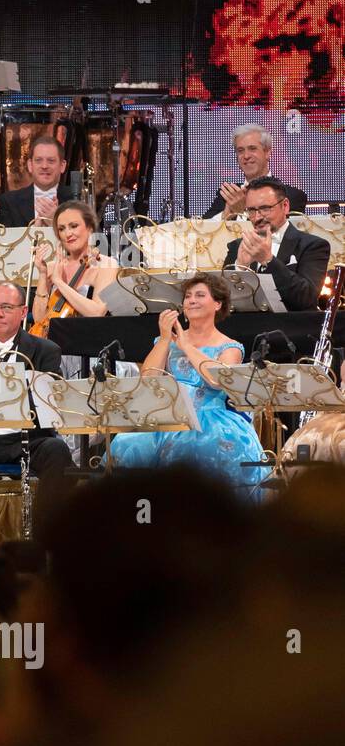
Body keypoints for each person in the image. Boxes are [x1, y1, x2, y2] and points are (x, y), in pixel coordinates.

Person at [109, 273, 268, 497]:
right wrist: (165, 339)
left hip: (210, 419)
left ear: (217, 304)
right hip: (168, 415)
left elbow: (216, 381)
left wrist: (185, 345)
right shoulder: (167, 342)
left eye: (200, 295)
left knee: (192, 449)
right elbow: (149, 379)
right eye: (188, 296)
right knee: (128, 442)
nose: (191, 300)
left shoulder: (231, 347)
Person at [0, 282, 74, 483]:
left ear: (23, 312)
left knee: (56, 450)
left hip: (25, 440)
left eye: (6, 307)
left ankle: (51, 514)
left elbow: (51, 404)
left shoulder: (46, 350)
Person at [222, 176, 329, 312]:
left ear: (285, 206)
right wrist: (240, 267)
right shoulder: (237, 246)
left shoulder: (313, 246)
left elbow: (306, 299)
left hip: (291, 330)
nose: (257, 217)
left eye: (265, 208)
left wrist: (268, 260)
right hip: (243, 330)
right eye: (251, 210)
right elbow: (221, 300)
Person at [31, 200, 119, 329]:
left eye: (73, 226)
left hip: (88, 341)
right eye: (62, 229)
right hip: (53, 343)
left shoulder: (106, 265)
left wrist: (59, 282)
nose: (68, 234)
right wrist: (43, 274)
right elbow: (38, 318)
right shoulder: (51, 266)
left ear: (89, 227)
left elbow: (97, 312)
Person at [202, 124, 308, 219]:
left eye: (252, 149)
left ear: (267, 152)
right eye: (240, 151)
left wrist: (243, 211)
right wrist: (227, 214)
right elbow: (205, 233)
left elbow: (284, 236)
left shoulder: (291, 196)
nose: (246, 156)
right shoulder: (228, 195)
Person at [0, 137, 75, 228]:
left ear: (62, 166)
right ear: (30, 165)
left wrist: (55, 223)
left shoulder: (77, 200)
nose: (44, 166)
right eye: (38, 160)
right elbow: (6, 241)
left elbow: (85, 240)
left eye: (51, 161)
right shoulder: (9, 202)